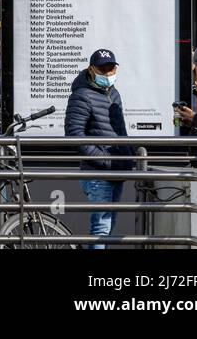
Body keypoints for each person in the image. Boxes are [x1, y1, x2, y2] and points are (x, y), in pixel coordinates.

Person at [64, 48, 132, 248]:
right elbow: (74, 135)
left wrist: (129, 155)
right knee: (101, 227)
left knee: (108, 227)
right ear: (91, 69)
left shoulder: (114, 93)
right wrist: (104, 160)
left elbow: (121, 130)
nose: (108, 73)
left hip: (117, 168)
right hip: (98, 171)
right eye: (103, 69)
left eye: (111, 68)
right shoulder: (81, 96)